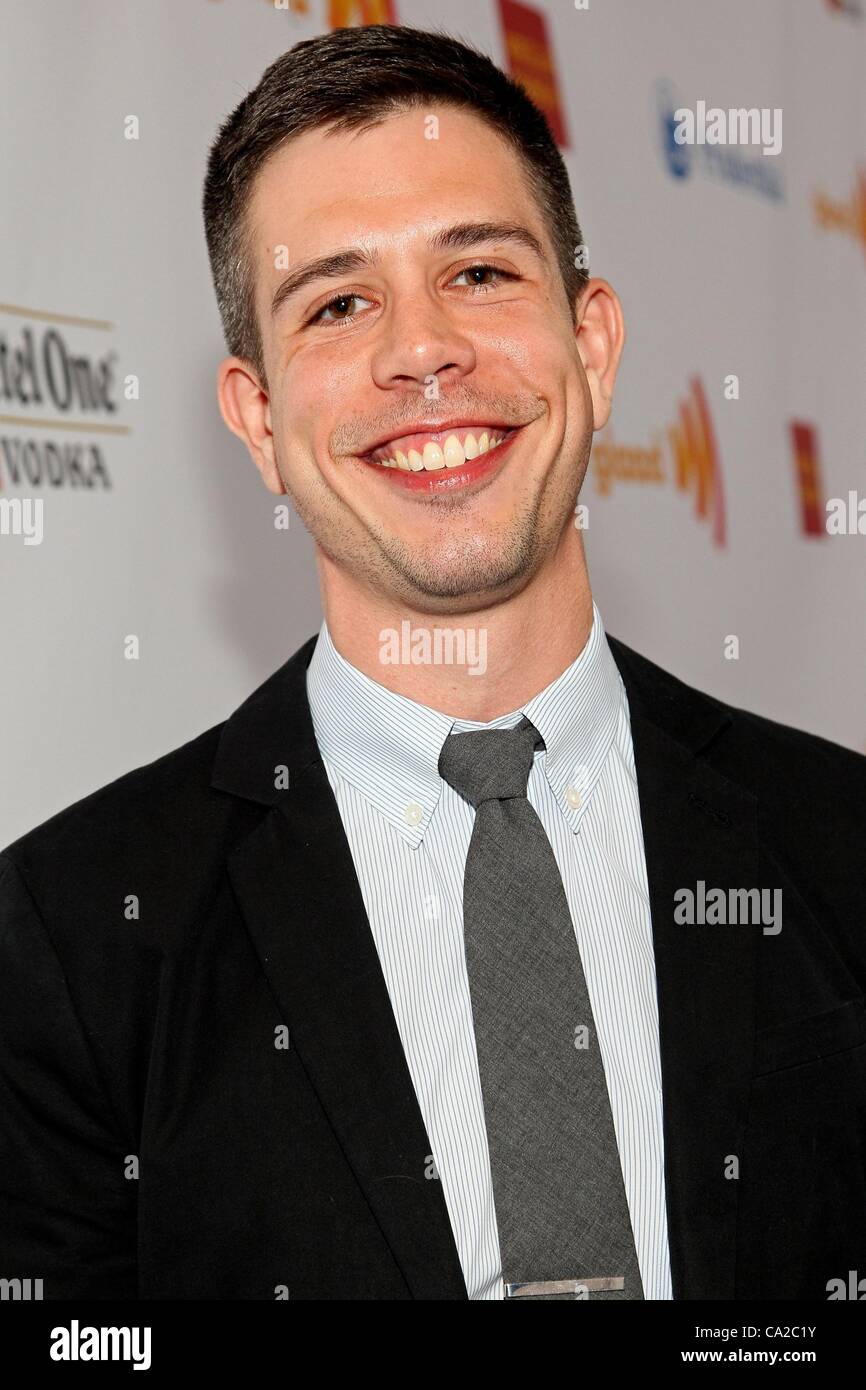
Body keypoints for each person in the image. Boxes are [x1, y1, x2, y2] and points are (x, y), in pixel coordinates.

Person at [1, 23, 864, 1302]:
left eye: (477, 273)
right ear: (258, 419)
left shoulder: (841, 843)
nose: (422, 352)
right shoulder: (66, 943)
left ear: (593, 342)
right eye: (339, 303)